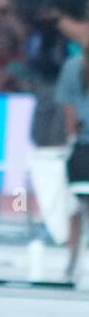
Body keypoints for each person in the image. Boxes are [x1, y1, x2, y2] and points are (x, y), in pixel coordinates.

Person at [55, 43, 89, 281]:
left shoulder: (71, 67)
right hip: (81, 147)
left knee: (76, 208)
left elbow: (69, 111)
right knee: (76, 207)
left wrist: (71, 139)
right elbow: (68, 109)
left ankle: (72, 261)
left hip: (79, 147)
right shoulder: (72, 69)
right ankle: (72, 260)